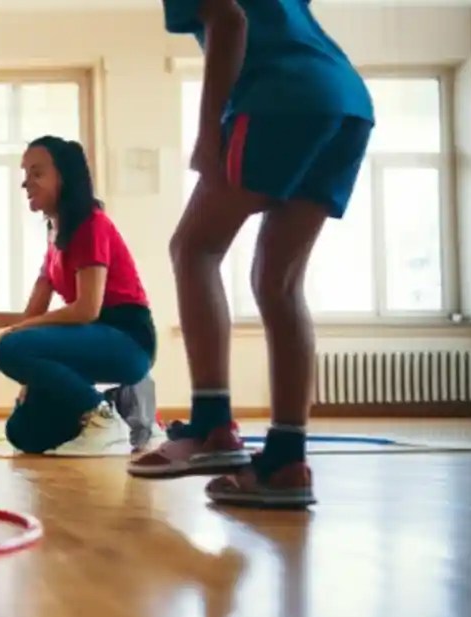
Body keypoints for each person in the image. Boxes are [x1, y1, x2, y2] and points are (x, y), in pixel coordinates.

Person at [129, 0, 374, 509]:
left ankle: (212, 426)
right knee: (278, 283)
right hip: (346, 101)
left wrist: (207, 133)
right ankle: (285, 461)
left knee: (194, 249)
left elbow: (229, 18)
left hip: (279, 97)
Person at [0, 136, 156, 456]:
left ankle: (105, 418)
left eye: (37, 173)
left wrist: (13, 336)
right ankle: (115, 411)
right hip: (93, 339)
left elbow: (86, 309)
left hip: (129, 341)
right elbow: (32, 317)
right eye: (25, 173)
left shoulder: (90, 224)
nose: (26, 183)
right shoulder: (54, 236)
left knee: (10, 349)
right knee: (24, 432)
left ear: (64, 177)